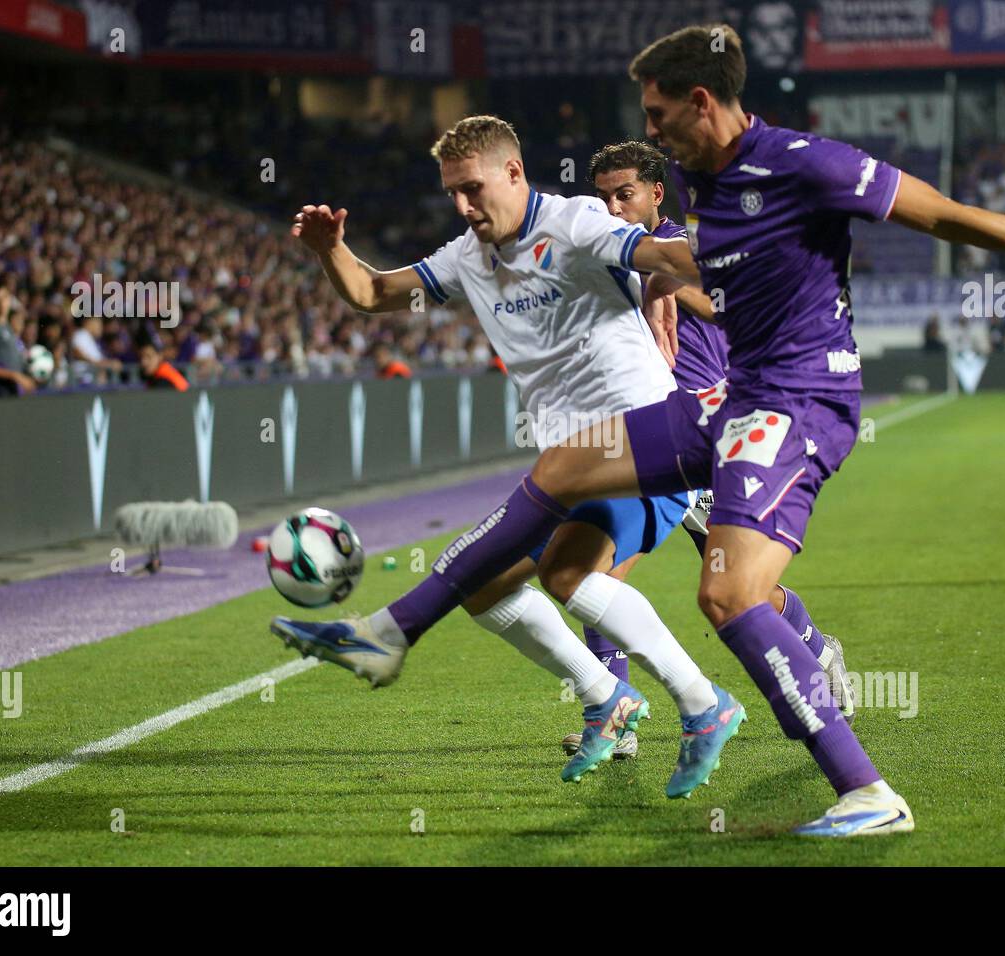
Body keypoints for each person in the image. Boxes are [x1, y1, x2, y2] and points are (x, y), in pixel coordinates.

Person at [278, 24, 1005, 835]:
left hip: (799, 401)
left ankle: (867, 791)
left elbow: (953, 217)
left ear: (701, 102)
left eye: (659, 116)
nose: (652, 136)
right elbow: (690, 262)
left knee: (727, 596)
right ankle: (390, 635)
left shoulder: (809, 164)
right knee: (564, 470)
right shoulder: (700, 183)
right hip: (733, 399)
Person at [272, 116, 750, 797]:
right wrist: (330, 250)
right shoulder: (466, 257)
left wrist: (739, 254)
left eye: (474, 189)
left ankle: (384, 634)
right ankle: (634, 698)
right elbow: (373, 293)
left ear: (515, 175)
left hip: (643, 438)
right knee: (498, 587)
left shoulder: (579, 222)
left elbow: (666, 260)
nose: (465, 207)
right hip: (577, 462)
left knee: (511, 562)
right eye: (453, 194)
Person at [556, 139, 852, 759]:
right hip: (645, 435)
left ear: (656, 193)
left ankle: (814, 650)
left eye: (624, 194)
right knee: (593, 574)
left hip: (707, 431)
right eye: (603, 195)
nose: (611, 207)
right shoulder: (608, 253)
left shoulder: (693, 247)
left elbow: (733, 312)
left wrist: (664, 280)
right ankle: (614, 718)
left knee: (737, 591)